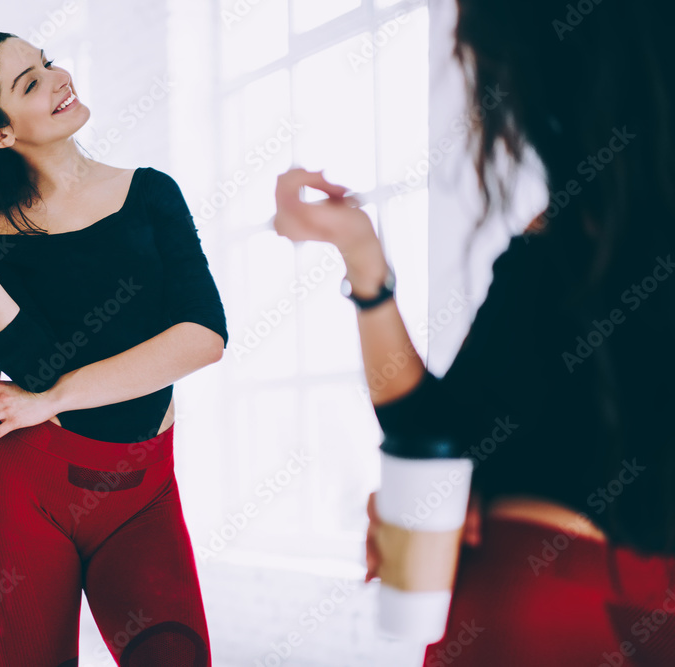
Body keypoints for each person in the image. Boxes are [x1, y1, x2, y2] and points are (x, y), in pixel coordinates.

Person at [272, 0, 675, 664]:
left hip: (528, 606)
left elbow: (436, 436)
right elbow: (436, 432)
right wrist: (366, 268)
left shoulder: (570, 240)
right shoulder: (566, 239)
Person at [0, 31, 226, 666]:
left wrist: (49, 400)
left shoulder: (151, 193)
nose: (59, 78)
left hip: (145, 494)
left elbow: (203, 337)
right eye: (30, 82)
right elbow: (35, 365)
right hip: (27, 495)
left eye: (47, 63)